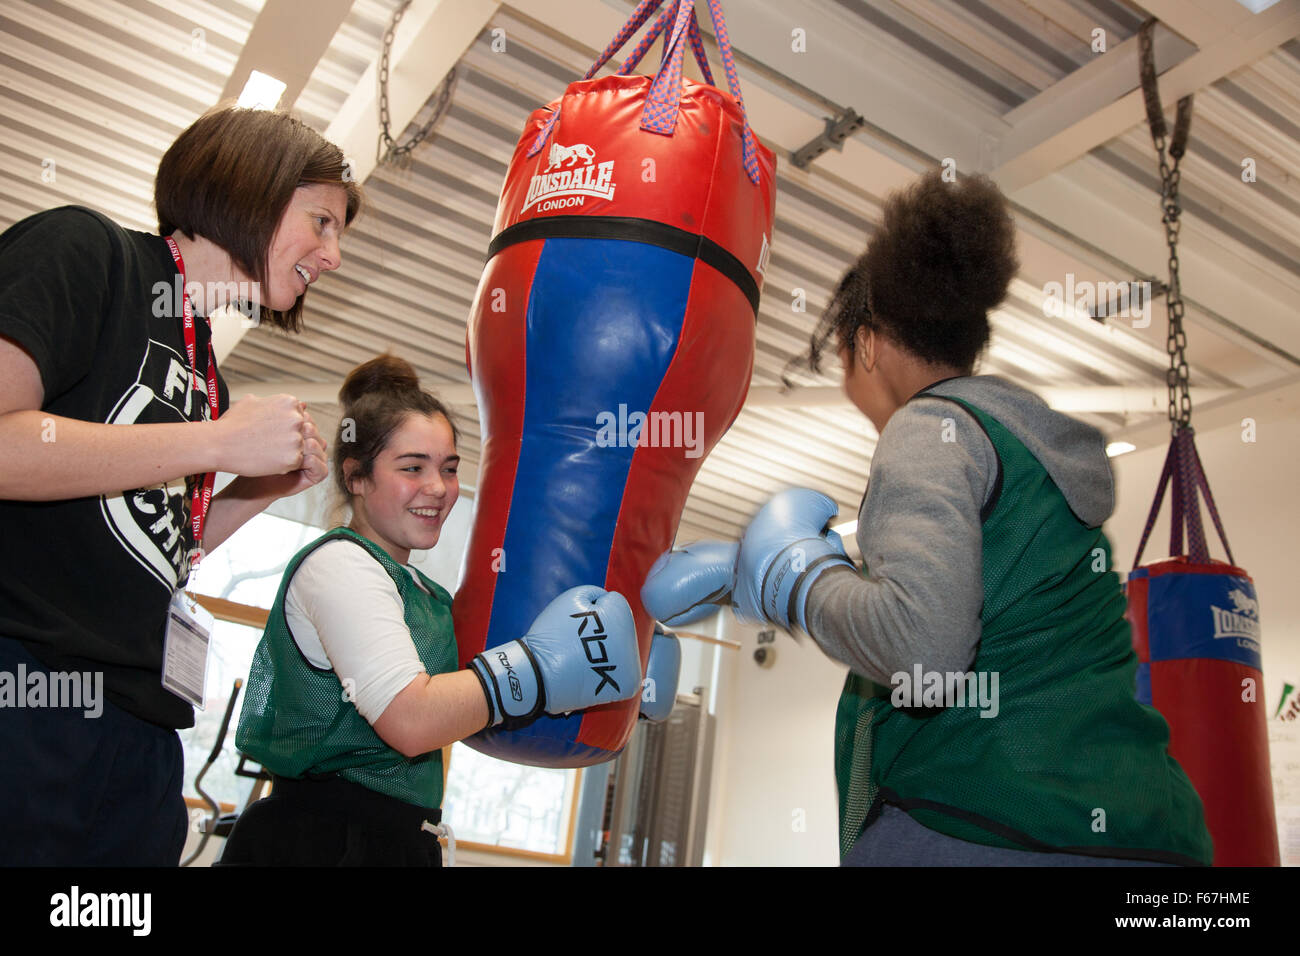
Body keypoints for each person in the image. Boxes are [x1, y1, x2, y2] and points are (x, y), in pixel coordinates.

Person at [643, 169, 1212, 866]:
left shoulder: (928, 429)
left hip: (987, 823)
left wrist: (801, 582)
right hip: (1148, 836)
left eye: (842, 354)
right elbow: (970, 611)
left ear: (870, 344)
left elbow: (923, 656)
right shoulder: (1027, 454)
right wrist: (752, 575)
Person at [0, 106, 360, 866]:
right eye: (322, 222)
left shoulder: (206, 370)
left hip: (141, 736)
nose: (333, 255)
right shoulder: (88, 250)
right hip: (28, 694)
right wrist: (217, 440)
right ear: (252, 184)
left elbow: (164, 543)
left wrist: (259, 485)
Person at [220, 355, 642, 867]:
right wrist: (539, 665)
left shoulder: (428, 595)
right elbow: (413, 719)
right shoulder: (340, 565)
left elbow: (467, 705)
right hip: (320, 838)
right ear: (356, 477)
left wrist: (617, 663)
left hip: (394, 839)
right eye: (412, 468)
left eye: (449, 468)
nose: (439, 489)